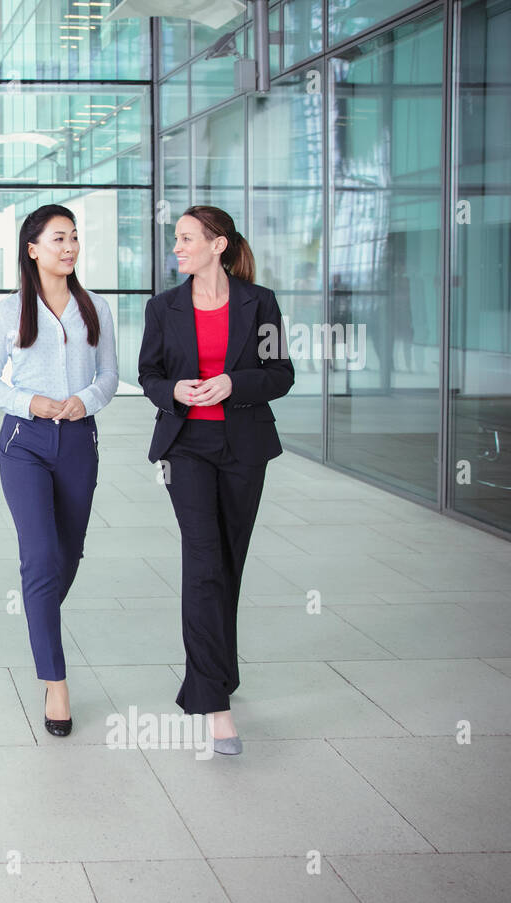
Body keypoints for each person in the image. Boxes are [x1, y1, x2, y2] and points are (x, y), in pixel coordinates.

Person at [138, 205, 295, 755]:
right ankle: (213, 702)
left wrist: (233, 382)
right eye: (175, 239)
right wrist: (175, 392)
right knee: (204, 562)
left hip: (245, 446)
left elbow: (281, 374)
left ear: (217, 244)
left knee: (229, 560)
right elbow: (149, 375)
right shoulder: (164, 307)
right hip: (187, 450)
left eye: (185, 238)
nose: (176, 248)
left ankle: (218, 672)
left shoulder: (261, 303)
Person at [0, 204, 118, 737]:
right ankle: (55, 683)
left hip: (80, 440)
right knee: (38, 558)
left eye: (75, 237)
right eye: (59, 238)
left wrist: (85, 400)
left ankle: (40, 616)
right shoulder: (11, 310)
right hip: (25, 443)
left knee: (67, 555)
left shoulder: (96, 308)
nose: (70, 246)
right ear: (32, 248)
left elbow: (110, 374)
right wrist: (29, 401)